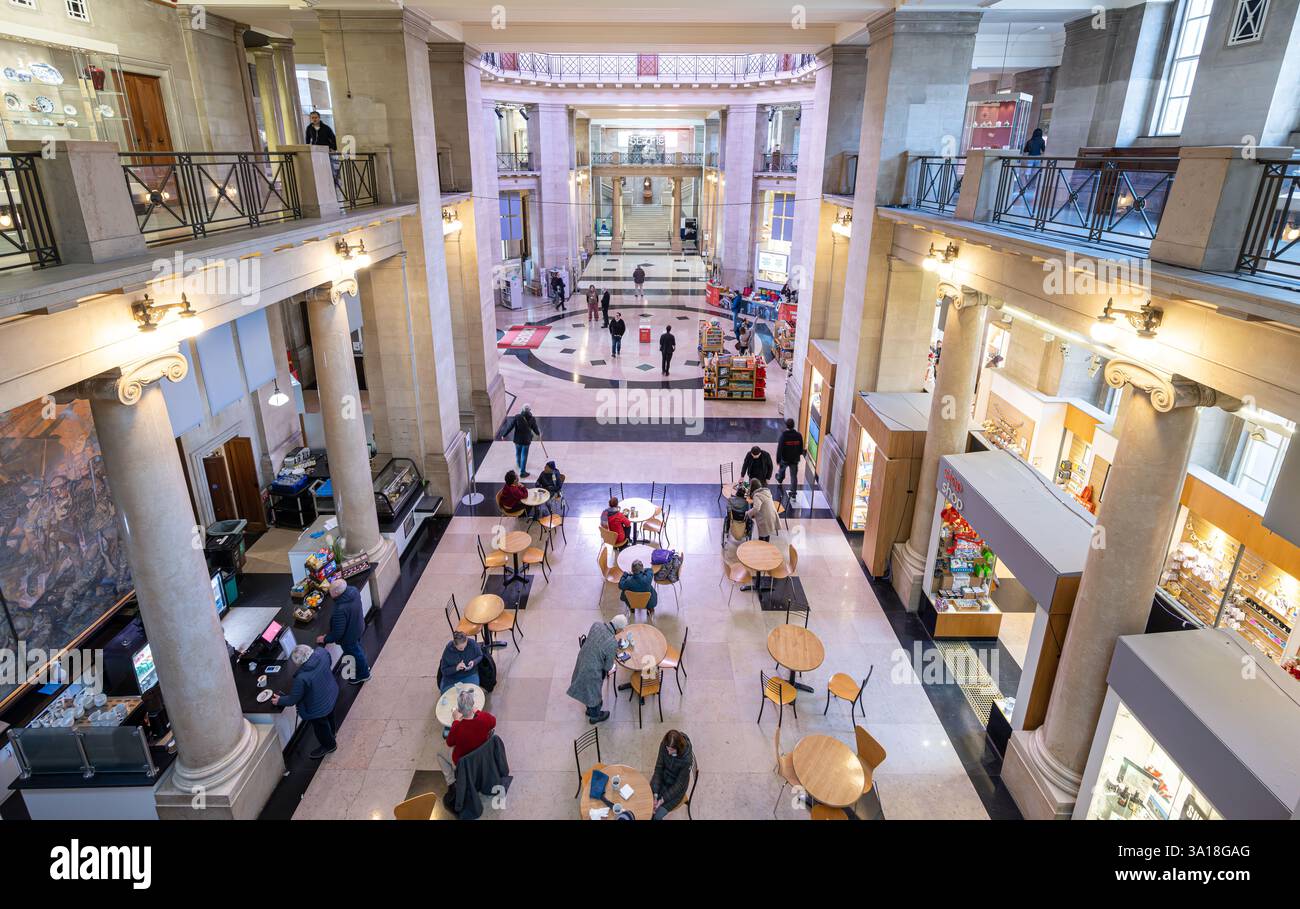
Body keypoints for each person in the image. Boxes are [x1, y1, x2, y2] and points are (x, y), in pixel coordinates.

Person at [273, 644, 338, 759]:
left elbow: (293, 699)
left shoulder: (302, 678)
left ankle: (329, 745)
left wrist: (279, 700)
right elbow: (329, 662)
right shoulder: (322, 653)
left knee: (320, 726)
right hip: (330, 692)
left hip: (317, 708)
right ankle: (332, 732)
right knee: (330, 715)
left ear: (299, 662)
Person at [567, 614, 628, 724]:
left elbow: (596, 643)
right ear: (618, 629)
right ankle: (595, 716)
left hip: (582, 661)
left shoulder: (596, 625)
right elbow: (607, 667)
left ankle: (589, 710)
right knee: (593, 694)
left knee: (587, 690)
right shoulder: (612, 643)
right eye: (622, 630)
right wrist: (613, 654)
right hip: (592, 672)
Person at [318, 577, 370, 684]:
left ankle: (363, 675)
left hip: (349, 637)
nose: (329, 592)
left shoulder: (340, 610)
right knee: (358, 649)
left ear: (337, 593)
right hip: (358, 627)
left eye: (331, 591)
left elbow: (337, 633)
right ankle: (363, 667)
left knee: (355, 653)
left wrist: (325, 639)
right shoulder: (353, 591)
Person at [649, 730, 695, 820]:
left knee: (655, 816)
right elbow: (659, 768)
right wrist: (655, 794)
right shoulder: (664, 745)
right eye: (667, 749)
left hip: (676, 789)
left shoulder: (687, 760)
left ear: (679, 748)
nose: (669, 752)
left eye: (672, 750)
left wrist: (661, 800)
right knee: (646, 804)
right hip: (663, 778)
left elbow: (679, 785)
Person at [445, 687, 496, 766]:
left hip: (464, 762)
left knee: (441, 754)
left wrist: (455, 721)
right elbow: (493, 722)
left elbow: (449, 743)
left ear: (459, 709)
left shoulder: (457, 727)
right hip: (483, 753)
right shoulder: (484, 717)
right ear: (472, 704)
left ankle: (451, 777)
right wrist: (478, 712)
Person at [499, 404, 541, 478]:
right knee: (524, 455)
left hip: (517, 440)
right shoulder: (532, 419)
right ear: (529, 410)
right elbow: (535, 429)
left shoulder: (517, 417)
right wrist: (538, 434)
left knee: (518, 452)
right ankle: (522, 472)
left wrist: (504, 435)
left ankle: (519, 464)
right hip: (526, 440)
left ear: (522, 409)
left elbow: (510, 427)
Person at [775, 418, 804, 497]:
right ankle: (793, 493)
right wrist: (800, 453)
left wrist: (778, 459)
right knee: (794, 476)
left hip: (785, 458)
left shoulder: (784, 436)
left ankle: (780, 478)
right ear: (794, 425)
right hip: (795, 459)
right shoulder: (798, 435)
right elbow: (801, 447)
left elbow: (780, 448)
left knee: (782, 470)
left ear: (786, 425)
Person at [746, 478, 779, 543]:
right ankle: (766, 545)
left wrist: (748, 513)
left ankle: (762, 549)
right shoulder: (766, 491)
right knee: (767, 534)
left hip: (765, 517)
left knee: (762, 537)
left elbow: (756, 508)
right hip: (772, 515)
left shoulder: (757, 495)